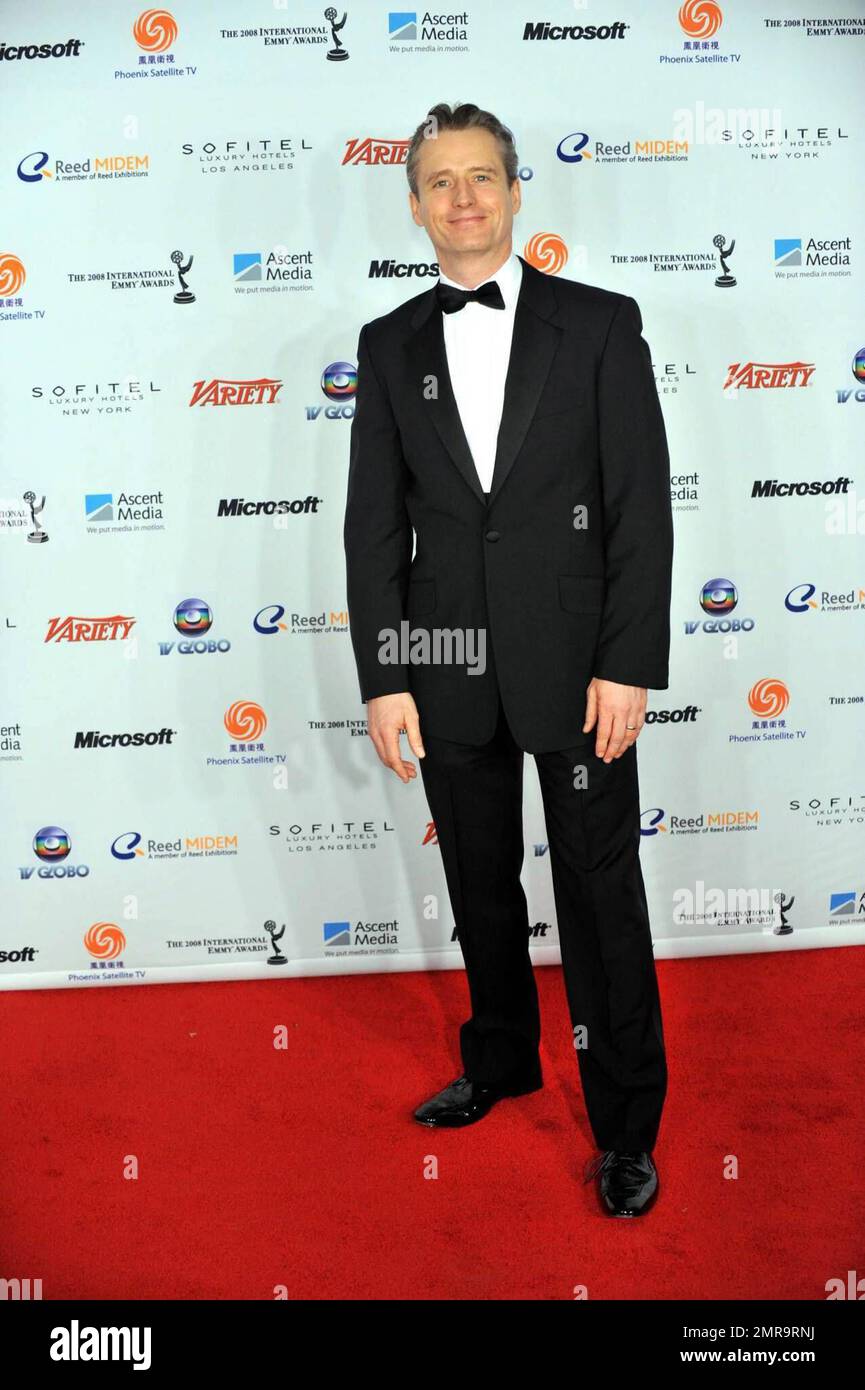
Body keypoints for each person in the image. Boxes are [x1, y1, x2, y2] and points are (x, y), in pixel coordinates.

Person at [343, 102, 674, 1218]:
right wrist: (387, 673)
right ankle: (500, 1059)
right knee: (477, 880)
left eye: (482, 177)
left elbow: (639, 504)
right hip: (442, 662)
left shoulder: (599, 323)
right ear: (415, 203)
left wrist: (627, 661)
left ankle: (626, 1123)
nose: (464, 199)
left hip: (581, 666)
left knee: (599, 894)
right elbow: (373, 526)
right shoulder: (387, 345)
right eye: (440, 182)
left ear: (517, 190)